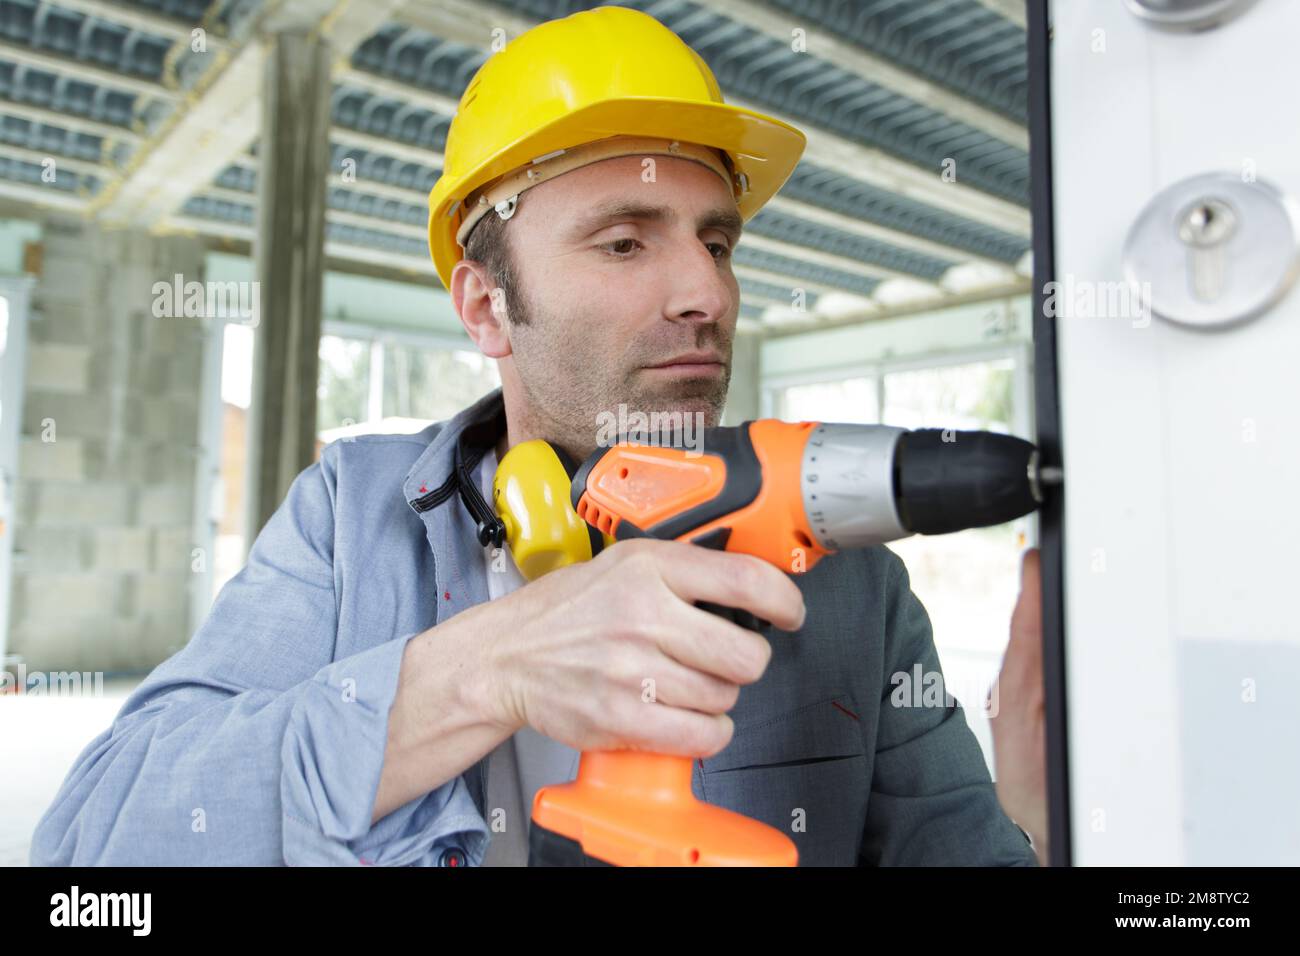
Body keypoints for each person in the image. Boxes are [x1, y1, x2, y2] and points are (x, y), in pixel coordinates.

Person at [30, 5, 1046, 867]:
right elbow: (94, 841)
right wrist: (488, 666)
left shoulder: (845, 581)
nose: (706, 293)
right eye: (623, 239)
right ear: (485, 308)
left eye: (718, 240)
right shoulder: (350, 520)